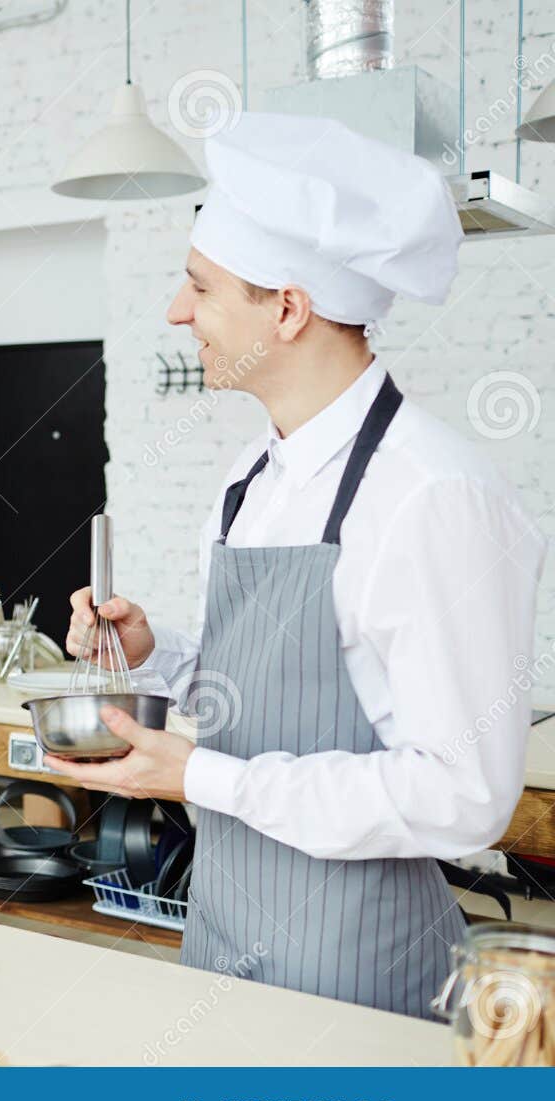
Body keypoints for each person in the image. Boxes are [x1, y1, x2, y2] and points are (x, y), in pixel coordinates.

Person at [47, 113, 546, 1017]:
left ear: (287, 306)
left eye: (198, 286)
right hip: (224, 937)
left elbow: (465, 794)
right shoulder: (250, 478)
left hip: (361, 976)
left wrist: (202, 776)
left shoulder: (433, 495)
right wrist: (157, 654)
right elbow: (269, 699)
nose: (175, 310)